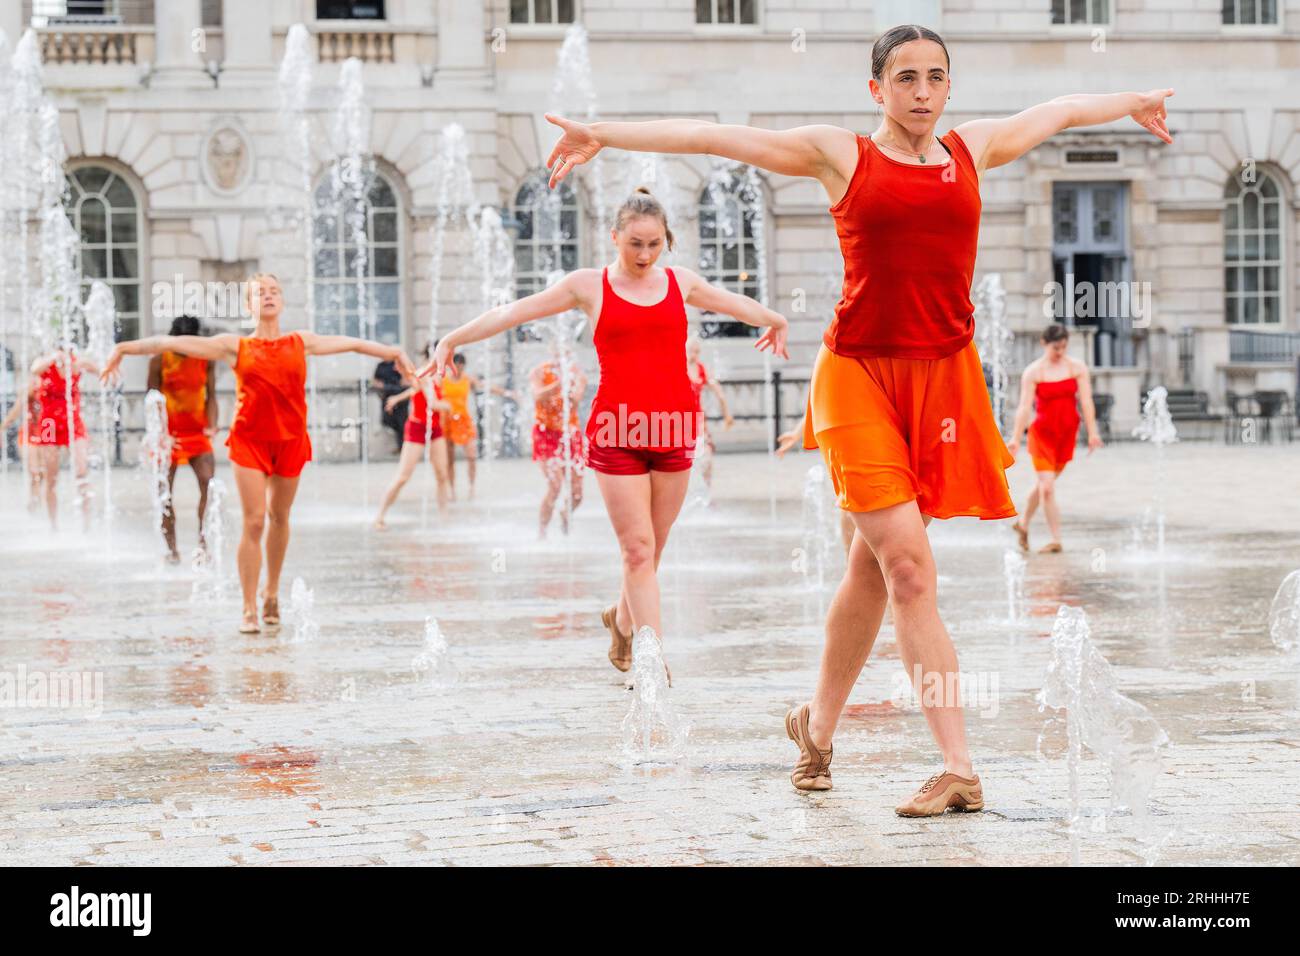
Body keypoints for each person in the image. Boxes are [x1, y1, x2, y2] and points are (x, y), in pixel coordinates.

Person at [545, 23, 1173, 814]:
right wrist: (602, 132)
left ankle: (816, 727)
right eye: (905, 77)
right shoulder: (841, 155)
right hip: (855, 377)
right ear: (876, 89)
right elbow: (716, 135)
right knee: (908, 564)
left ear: (949, 87)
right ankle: (960, 769)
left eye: (935, 77)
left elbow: (1060, 109)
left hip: (942, 379)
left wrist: (1133, 101)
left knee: (870, 569)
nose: (921, 91)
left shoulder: (971, 151)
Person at [419, 187, 788, 678]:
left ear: (666, 241)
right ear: (614, 236)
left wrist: (774, 317)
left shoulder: (681, 283)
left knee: (654, 546)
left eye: (654, 244)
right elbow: (512, 311)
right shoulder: (587, 285)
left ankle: (619, 617)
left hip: (675, 426)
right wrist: (452, 337)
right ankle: (652, 660)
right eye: (634, 243)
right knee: (637, 548)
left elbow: (734, 301)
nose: (644, 254)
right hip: (616, 429)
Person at [102, 273, 416, 633]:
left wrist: (393, 351)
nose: (268, 297)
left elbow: (351, 344)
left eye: (274, 292)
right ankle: (248, 606)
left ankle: (271, 592)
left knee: (279, 517)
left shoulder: (302, 341)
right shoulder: (234, 346)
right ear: (248, 305)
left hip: (290, 441)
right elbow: (176, 342)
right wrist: (124, 348)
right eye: (260, 293)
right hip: (250, 440)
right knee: (254, 520)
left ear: (281, 301)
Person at [1007, 323, 1103, 553]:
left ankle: (1022, 525)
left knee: (1043, 485)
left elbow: (1086, 400)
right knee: (1047, 487)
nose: (1059, 352)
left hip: (1066, 433)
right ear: (1044, 343)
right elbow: (1024, 406)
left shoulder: (1076, 367)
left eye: (1063, 347)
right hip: (1042, 434)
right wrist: (1015, 438)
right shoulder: (1034, 371)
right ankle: (1055, 539)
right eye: (1055, 347)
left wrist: (1092, 432)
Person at [147, 315, 218, 563]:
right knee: (164, 493)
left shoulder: (205, 359)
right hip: (167, 436)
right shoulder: (160, 359)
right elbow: (152, 401)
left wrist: (212, 425)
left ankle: (203, 543)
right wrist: (161, 435)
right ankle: (171, 549)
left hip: (197, 432)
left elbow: (211, 396)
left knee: (209, 485)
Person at [374, 343, 453, 529]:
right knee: (403, 476)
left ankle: (444, 517)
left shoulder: (439, 375)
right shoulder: (425, 373)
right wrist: (448, 406)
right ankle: (380, 516)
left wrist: (397, 398)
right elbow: (432, 403)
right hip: (417, 427)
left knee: (442, 474)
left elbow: (416, 390)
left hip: (435, 429)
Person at [30, 348, 99, 530]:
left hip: (72, 422)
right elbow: (34, 369)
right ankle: (54, 525)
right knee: (51, 476)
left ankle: (87, 524)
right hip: (49, 425)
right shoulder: (45, 363)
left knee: (82, 473)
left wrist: (80, 364)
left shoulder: (75, 364)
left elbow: (96, 368)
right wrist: (52, 357)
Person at [439, 353, 516, 500]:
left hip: (463, 421)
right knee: (450, 459)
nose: (459, 371)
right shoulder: (443, 380)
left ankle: (471, 487)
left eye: (462, 368)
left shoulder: (467, 379)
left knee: (472, 455)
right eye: (457, 367)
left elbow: (486, 386)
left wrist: (506, 393)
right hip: (447, 421)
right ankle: (452, 490)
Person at [529, 346, 588, 538]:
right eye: (557, 353)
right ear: (552, 353)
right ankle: (542, 532)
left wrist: (568, 387)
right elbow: (536, 396)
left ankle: (565, 514)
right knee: (554, 485)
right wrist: (557, 386)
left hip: (570, 435)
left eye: (565, 353)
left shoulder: (578, 375)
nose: (561, 357)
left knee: (577, 494)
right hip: (546, 434)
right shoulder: (539, 372)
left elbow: (576, 400)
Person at [685, 335, 733, 489]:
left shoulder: (700, 369)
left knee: (705, 457)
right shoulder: (677, 367)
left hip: (698, 421)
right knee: (684, 460)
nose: (694, 355)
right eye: (691, 351)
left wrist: (727, 414)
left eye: (697, 352)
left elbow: (719, 392)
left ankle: (705, 493)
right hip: (679, 420)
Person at [0, 375, 45, 512]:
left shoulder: (51, 389)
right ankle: (35, 503)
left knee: (43, 472)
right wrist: (2, 428)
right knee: (34, 471)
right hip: (28, 435)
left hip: (47, 434)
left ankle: (36, 499)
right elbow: (15, 411)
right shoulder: (29, 391)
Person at [372, 356, 408, 453]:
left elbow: (405, 382)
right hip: (387, 397)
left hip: (401, 397)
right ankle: (402, 446)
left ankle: (403, 448)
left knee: (402, 423)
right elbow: (376, 381)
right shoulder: (381, 366)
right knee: (387, 420)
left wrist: (387, 387)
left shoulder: (398, 363)